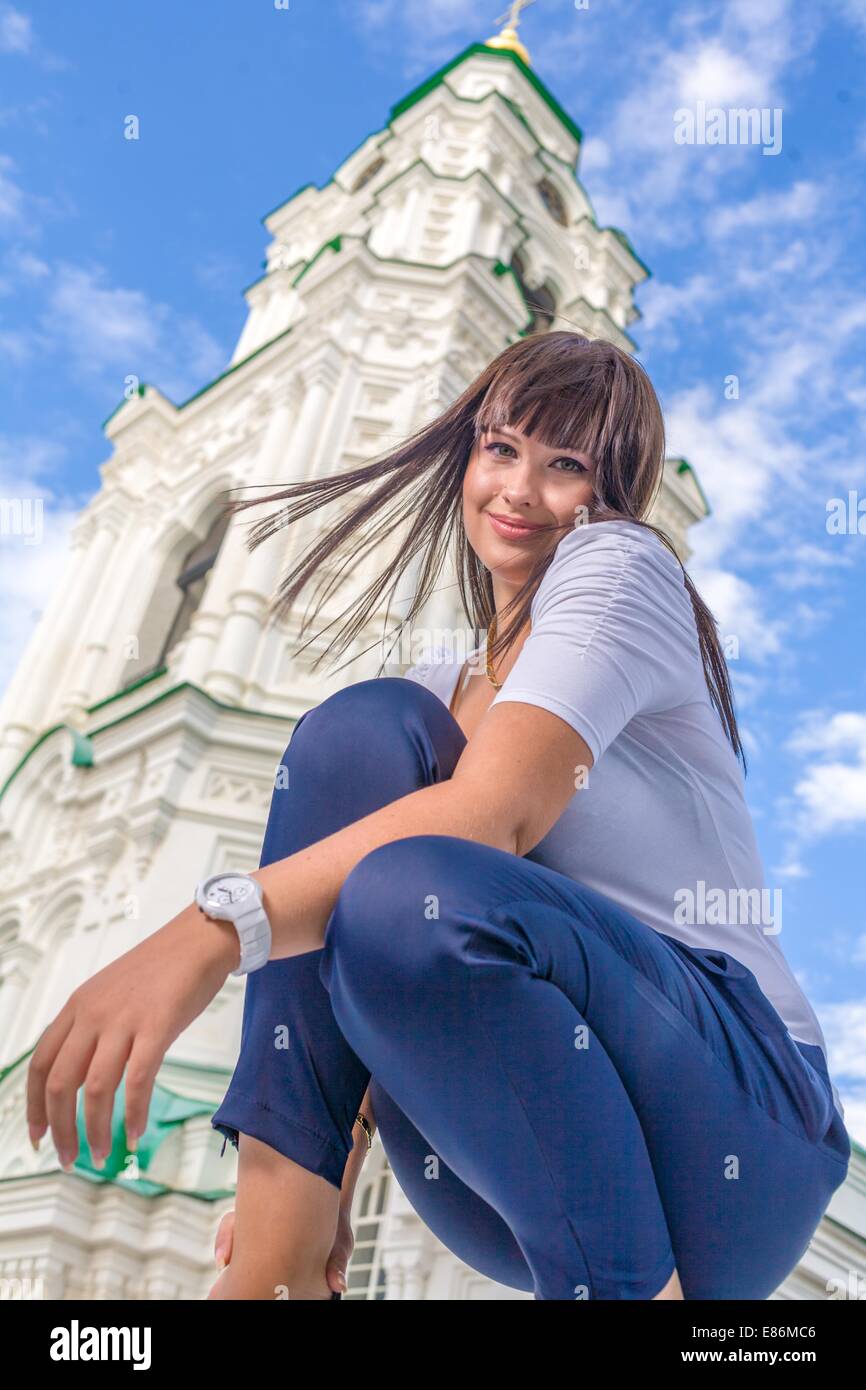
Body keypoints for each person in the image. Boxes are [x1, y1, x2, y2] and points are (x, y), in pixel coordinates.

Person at [26, 332, 851, 1301]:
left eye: (565, 465)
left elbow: (491, 816)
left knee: (404, 883)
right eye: (499, 448)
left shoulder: (619, 566)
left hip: (730, 1127)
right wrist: (334, 1155)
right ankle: (277, 1264)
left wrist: (206, 933)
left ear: (607, 493)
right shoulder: (436, 687)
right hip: (513, 1167)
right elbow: (409, 963)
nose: (517, 489)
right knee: (358, 736)